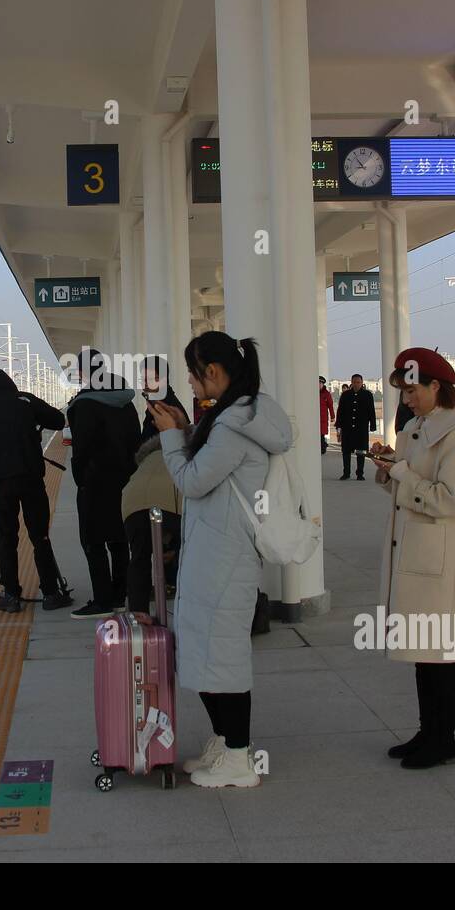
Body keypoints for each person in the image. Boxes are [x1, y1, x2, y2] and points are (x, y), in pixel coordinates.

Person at [149, 331, 292, 789]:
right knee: (208, 650)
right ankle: (225, 741)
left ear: (212, 372)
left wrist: (171, 439)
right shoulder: (243, 414)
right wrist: (186, 430)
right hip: (218, 549)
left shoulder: (233, 424)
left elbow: (192, 481)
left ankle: (238, 758)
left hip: (223, 556)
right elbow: (212, 466)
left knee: (222, 656)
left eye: (192, 374)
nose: (189, 384)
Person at [372, 348, 455, 769]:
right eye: (403, 391)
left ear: (438, 387)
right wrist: (387, 469)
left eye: (413, 389)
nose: (407, 399)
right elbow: (404, 489)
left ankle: (444, 737)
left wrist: (402, 474)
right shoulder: (416, 429)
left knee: (440, 654)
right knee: (423, 652)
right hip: (416, 554)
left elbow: (449, 500)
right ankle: (427, 731)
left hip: (443, 561)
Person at [0, 369, 70, 613]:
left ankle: (11, 596)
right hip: (32, 479)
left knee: (7, 537)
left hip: (3, 483)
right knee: (40, 536)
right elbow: (58, 420)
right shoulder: (25, 400)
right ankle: (51, 594)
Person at [66, 349, 141, 619]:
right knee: (119, 539)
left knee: (93, 541)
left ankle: (102, 601)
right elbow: (137, 439)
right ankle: (120, 596)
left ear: (85, 372)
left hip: (95, 483)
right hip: (124, 480)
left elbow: (81, 448)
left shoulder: (85, 404)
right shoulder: (125, 401)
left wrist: (80, 477)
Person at [121, 433, 182, 614]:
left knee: (139, 558)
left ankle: (139, 616)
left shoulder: (146, 460)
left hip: (133, 501)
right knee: (190, 550)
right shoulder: (181, 452)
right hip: (170, 501)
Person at [335, 374, 376, 480]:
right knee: (346, 452)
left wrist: (372, 425)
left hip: (361, 429)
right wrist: (338, 425)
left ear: (362, 383)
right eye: (354, 382)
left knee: (361, 451)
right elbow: (340, 411)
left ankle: (360, 473)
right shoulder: (345, 395)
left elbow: (371, 411)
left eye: (358, 382)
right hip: (347, 428)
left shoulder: (367, 395)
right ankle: (346, 473)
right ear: (351, 383)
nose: (356, 384)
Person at [138, 355, 186, 447]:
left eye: (149, 379)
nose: (145, 383)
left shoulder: (168, 408)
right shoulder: (154, 401)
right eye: (143, 379)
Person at [319, 376, 335, 455]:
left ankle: (323, 448)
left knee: (321, 434)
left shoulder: (326, 394)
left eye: (320, 383)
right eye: (318, 383)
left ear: (323, 384)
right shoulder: (312, 392)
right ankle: (322, 446)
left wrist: (332, 416)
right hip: (314, 418)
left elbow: (330, 406)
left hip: (323, 418)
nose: (319, 385)